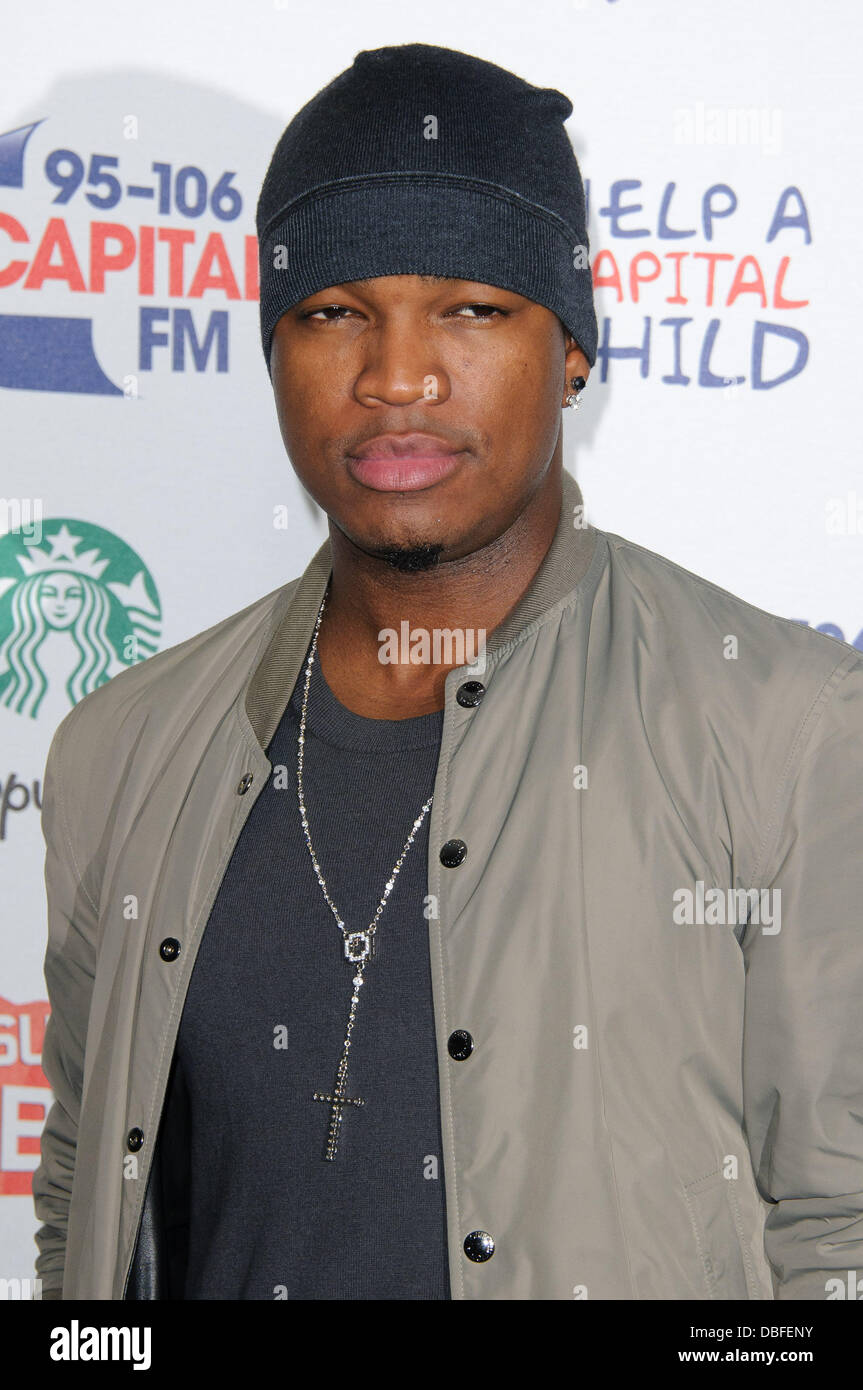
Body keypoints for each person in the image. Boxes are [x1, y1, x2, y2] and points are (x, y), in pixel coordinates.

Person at [33, 42, 863, 1302]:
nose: (395, 378)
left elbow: (839, 1229)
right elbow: (84, 1206)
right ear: (270, 352)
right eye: (331, 313)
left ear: (573, 348)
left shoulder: (783, 729)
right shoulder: (122, 749)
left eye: (471, 307)